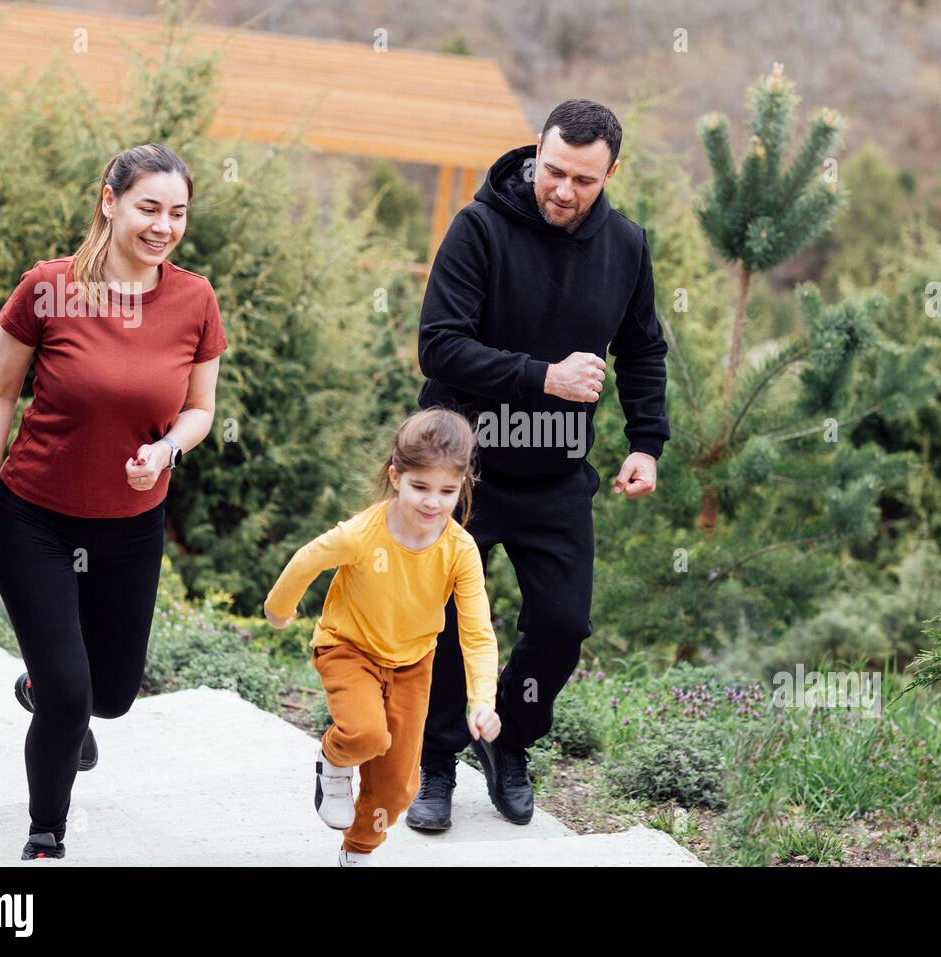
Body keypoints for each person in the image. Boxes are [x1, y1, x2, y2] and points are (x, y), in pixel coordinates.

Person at [0, 143, 229, 861]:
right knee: (69, 694)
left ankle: (42, 684)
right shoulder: (47, 289)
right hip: (34, 517)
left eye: (177, 212)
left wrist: (168, 448)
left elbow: (201, 409)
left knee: (110, 696)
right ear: (108, 201)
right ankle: (46, 833)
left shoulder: (195, 299)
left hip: (132, 527)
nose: (163, 225)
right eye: (148, 207)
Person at [409, 99, 670, 830]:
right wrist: (541, 376)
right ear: (537, 153)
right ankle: (435, 763)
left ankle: (509, 741)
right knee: (443, 622)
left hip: (556, 475)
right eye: (554, 170)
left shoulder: (625, 244)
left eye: (583, 179)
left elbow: (643, 348)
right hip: (460, 470)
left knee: (563, 624)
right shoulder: (480, 228)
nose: (563, 189)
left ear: (610, 172)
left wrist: (646, 442)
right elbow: (439, 346)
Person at [263, 408, 500, 867]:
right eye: (420, 487)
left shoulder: (460, 550)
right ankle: (333, 758)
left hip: (413, 663)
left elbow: (477, 630)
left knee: (398, 788)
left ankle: (356, 851)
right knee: (365, 734)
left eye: (448, 491)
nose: (433, 502)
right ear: (396, 476)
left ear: (462, 486)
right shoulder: (362, 533)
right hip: (348, 648)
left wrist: (482, 698)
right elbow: (308, 559)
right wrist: (279, 608)